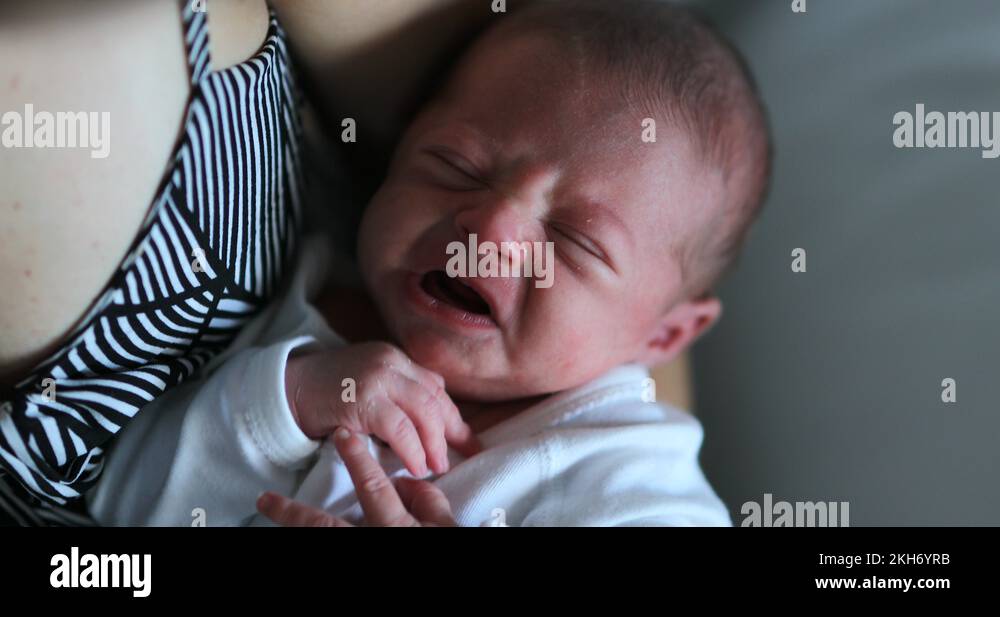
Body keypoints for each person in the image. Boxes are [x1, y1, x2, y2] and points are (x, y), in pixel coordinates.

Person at [88, 0, 771, 527]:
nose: (494, 227)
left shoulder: (629, 480)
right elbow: (112, 500)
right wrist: (284, 405)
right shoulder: (302, 297)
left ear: (663, 336)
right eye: (455, 165)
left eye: (576, 238)